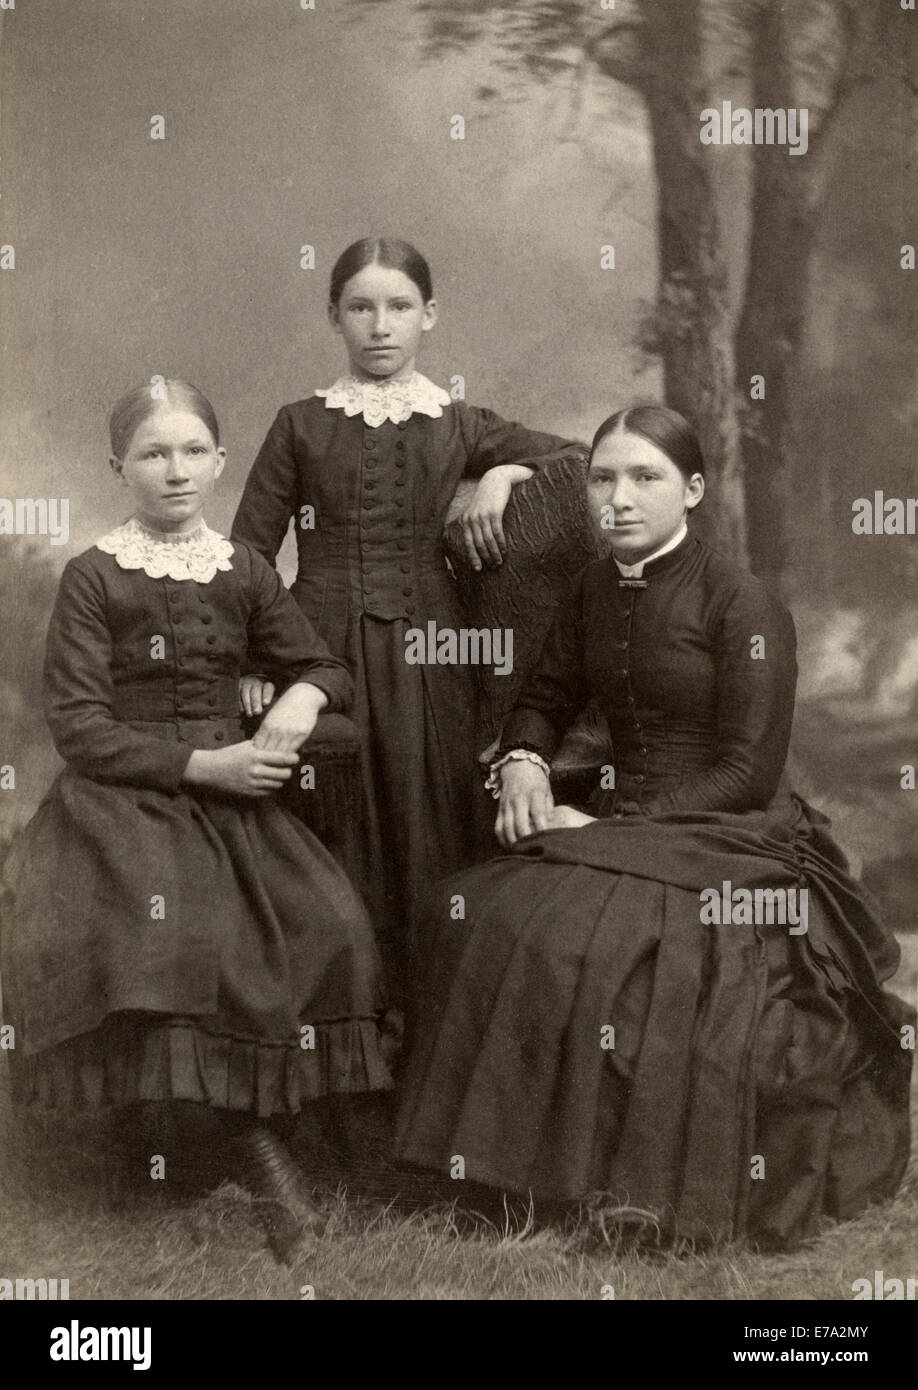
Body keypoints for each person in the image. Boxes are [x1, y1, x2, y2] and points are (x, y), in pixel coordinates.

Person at [394, 405, 913, 1251]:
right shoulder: (593, 588)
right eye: (603, 479)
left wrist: (601, 827)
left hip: (730, 837)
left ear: (694, 491)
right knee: (475, 913)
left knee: (602, 952)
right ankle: (518, 1176)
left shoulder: (742, 601)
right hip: (615, 821)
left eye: (646, 478)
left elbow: (747, 774)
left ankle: (616, 1181)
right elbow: (545, 697)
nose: (619, 500)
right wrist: (523, 759)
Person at [0, 380, 392, 1262]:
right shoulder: (93, 575)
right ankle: (249, 1155)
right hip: (122, 802)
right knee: (168, 933)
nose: (175, 472)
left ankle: (280, 1132)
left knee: (330, 923)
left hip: (235, 796)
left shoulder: (243, 570)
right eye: (152, 454)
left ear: (219, 461)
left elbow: (328, 667)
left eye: (191, 453)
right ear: (118, 468)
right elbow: (81, 727)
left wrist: (300, 694)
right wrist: (203, 764)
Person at [231, 237, 579, 985]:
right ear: (335, 316)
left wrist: (503, 474)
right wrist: (259, 662)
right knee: (336, 818)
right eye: (361, 307)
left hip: (436, 656)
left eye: (399, 307)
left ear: (430, 316)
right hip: (318, 649)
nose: (380, 326)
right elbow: (248, 557)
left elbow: (581, 459)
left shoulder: (459, 422)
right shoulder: (300, 423)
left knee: (433, 818)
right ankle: (342, 1017)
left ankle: (428, 1015)